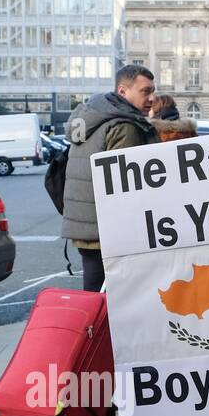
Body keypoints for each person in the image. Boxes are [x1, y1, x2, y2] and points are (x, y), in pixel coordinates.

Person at [60, 64, 159, 291]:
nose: (152, 98)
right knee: (112, 303)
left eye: (152, 91)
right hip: (111, 232)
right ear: (123, 92)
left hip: (86, 227)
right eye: (145, 91)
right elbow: (126, 188)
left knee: (95, 294)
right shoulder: (125, 127)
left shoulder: (91, 119)